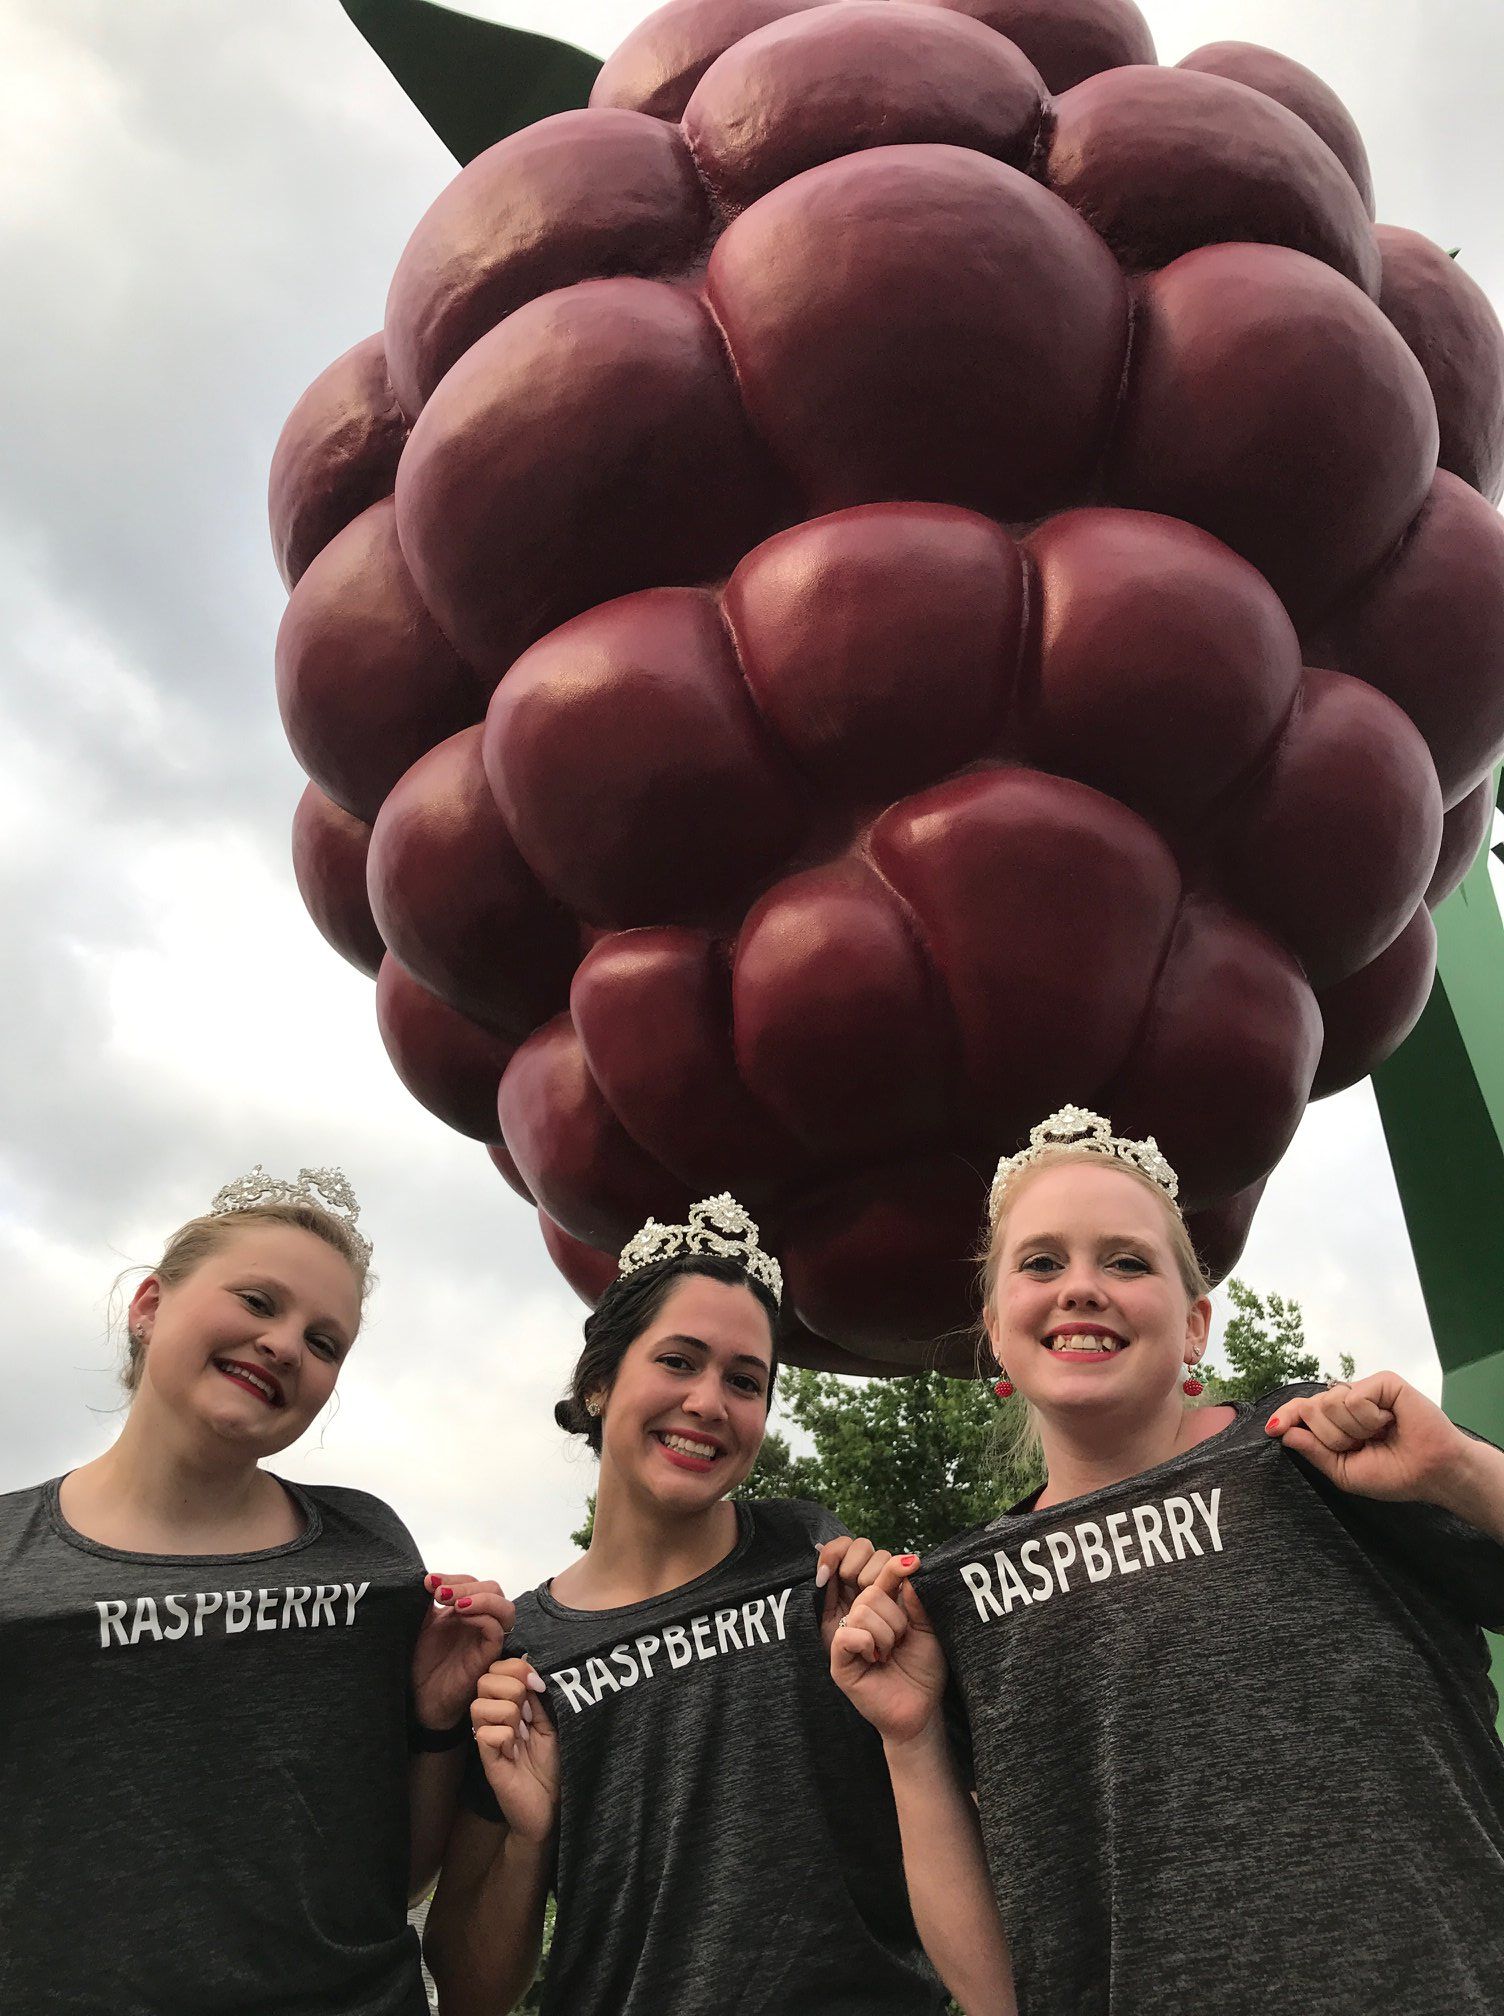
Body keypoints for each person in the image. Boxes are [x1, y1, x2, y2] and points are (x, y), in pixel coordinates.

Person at [832, 1106, 1504, 2016]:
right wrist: (907, 1739)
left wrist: (1459, 1470)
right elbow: (997, 1996)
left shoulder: (1319, 1453)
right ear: (995, 1331)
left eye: (1126, 1260)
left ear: (1194, 1327)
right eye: (1040, 1263)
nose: (1081, 1288)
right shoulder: (961, 1603)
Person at [0, 1165, 511, 2016]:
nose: (284, 1345)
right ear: (151, 1305)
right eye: (260, 1302)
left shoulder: (373, 1555)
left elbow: (397, 1877)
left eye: (324, 1343)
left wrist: (432, 1724)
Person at [423, 1193, 947, 2016]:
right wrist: (532, 1835)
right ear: (599, 1382)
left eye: (745, 1380)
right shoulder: (519, 1653)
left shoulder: (815, 1568)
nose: (709, 1402)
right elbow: (469, 1990)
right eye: (678, 1361)